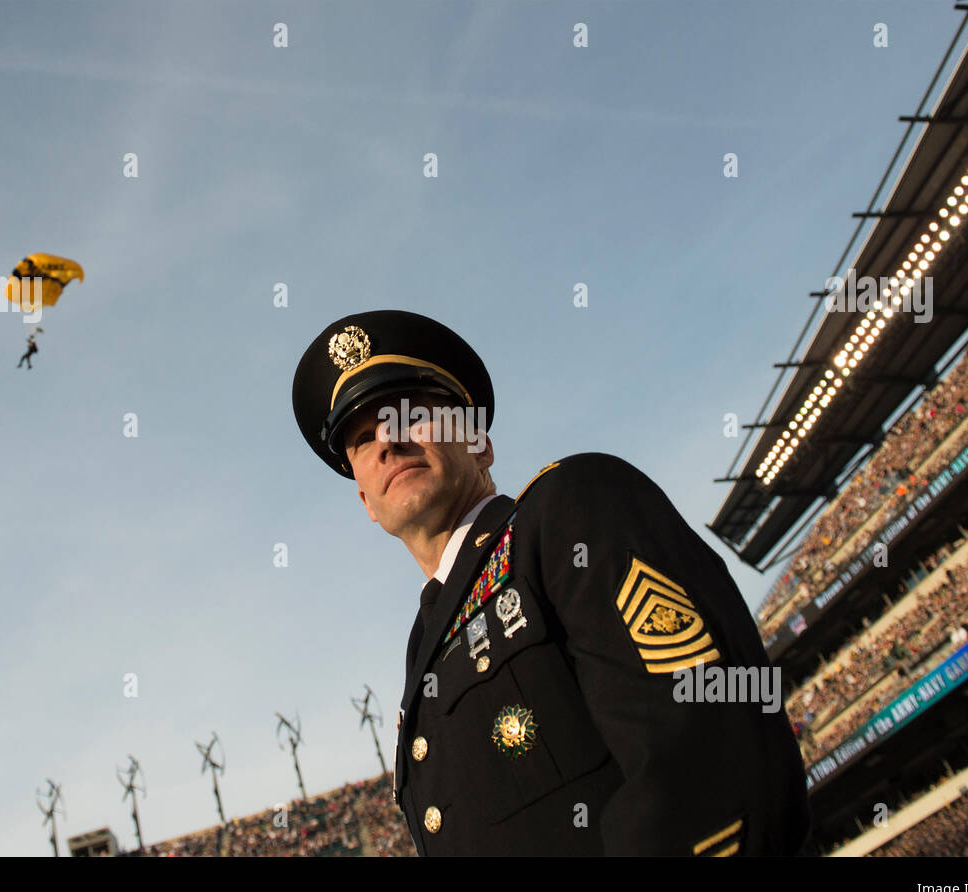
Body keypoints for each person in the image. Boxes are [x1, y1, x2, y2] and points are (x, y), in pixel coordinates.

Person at [292, 309, 812, 856]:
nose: (387, 444)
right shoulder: (423, 650)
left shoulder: (571, 510)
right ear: (365, 502)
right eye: (363, 439)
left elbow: (708, 759)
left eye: (408, 417)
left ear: (479, 443)